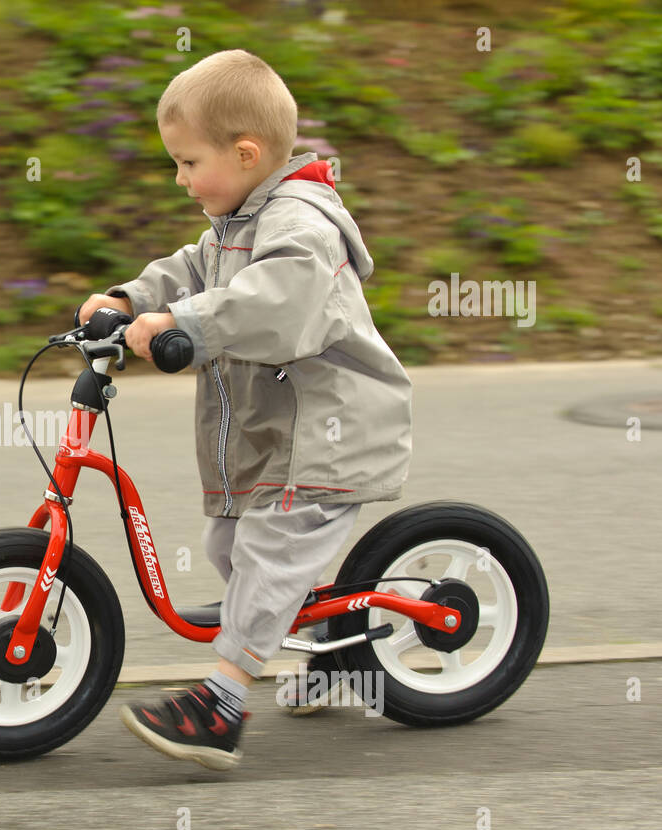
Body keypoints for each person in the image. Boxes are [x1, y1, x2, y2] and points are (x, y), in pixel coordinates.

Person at [76, 49, 413, 771]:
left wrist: (182, 327)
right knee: (231, 547)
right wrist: (131, 300)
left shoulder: (301, 226)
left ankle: (223, 702)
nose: (180, 178)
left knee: (265, 556)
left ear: (246, 152)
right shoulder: (235, 220)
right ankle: (333, 650)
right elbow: (192, 269)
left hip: (328, 432)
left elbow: (277, 302)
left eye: (189, 162)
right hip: (277, 432)